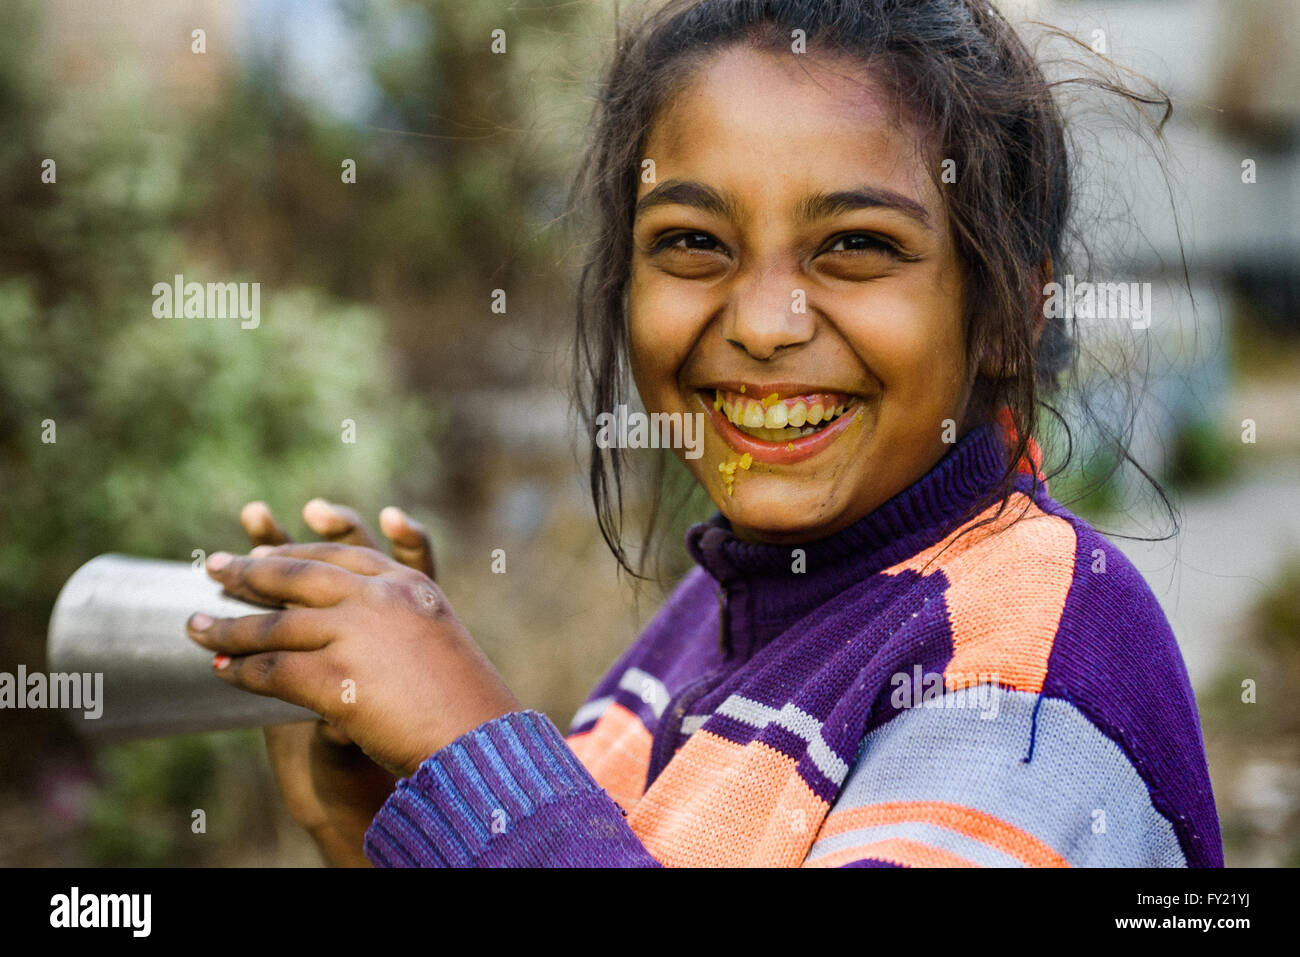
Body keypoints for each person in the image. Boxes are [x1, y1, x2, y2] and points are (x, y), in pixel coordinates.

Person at [185, 0, 1223, 867]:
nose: (763, 325)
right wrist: (374, 810)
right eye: (691, 242)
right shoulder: (714, 615)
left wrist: (472, 748)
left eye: (856, 245)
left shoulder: (1028, 664)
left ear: (1008, 314)